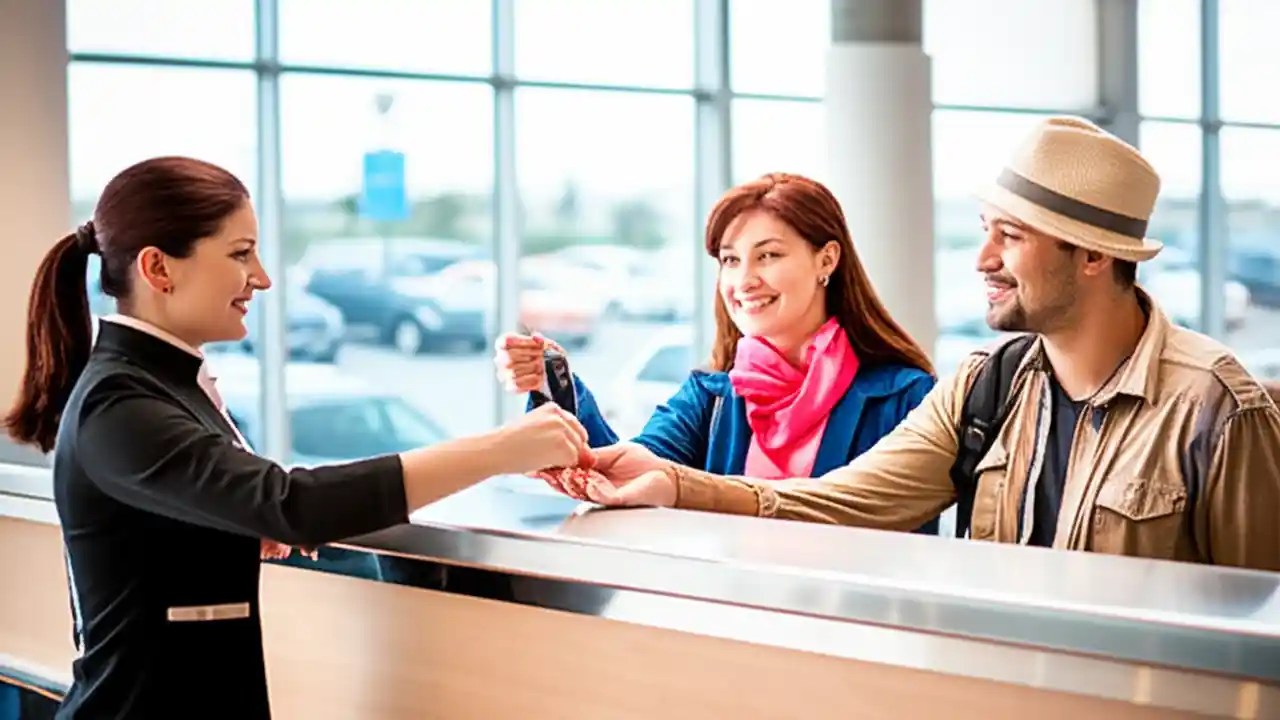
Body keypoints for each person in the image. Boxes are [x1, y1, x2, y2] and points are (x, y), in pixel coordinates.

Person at [3, 156, 593, 719]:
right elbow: (293, 505)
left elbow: (247, 507)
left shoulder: (158, 384)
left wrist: (237, 522)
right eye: (241, 254)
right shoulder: (121, 403)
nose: (260, 278)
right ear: (158, 268)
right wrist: (501, 449)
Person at [562, 117, 1280, 573]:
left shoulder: (1217, 409)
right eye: (984, 228)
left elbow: (1261, 628)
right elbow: (836, 504)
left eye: (1012, 236)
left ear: (1092, 256)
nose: (982, 258)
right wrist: (674, 483)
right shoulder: (982, 389)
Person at [495, 172, 942, 533]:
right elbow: (630, 470)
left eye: (767, 256)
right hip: (729, 624)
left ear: (826, 260)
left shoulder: (905, 399)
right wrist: (555, 386)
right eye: (730, 260)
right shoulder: (712, 399)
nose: (744, 280)